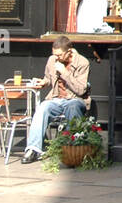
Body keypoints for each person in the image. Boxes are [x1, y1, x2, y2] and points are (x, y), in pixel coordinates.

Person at [21, 35, 92, 164]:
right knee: (42, 108)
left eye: (59, 55)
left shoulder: (82, 62)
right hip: (56, 98)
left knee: (72, 107)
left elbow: (81, 89)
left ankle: (74, 149)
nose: (56, 58)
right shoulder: (52, 60)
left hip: (75, 99)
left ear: (69, 52)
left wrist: (64, 72)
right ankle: (33, 149)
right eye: (55, 55)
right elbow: (49, 78)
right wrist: (43, 82)